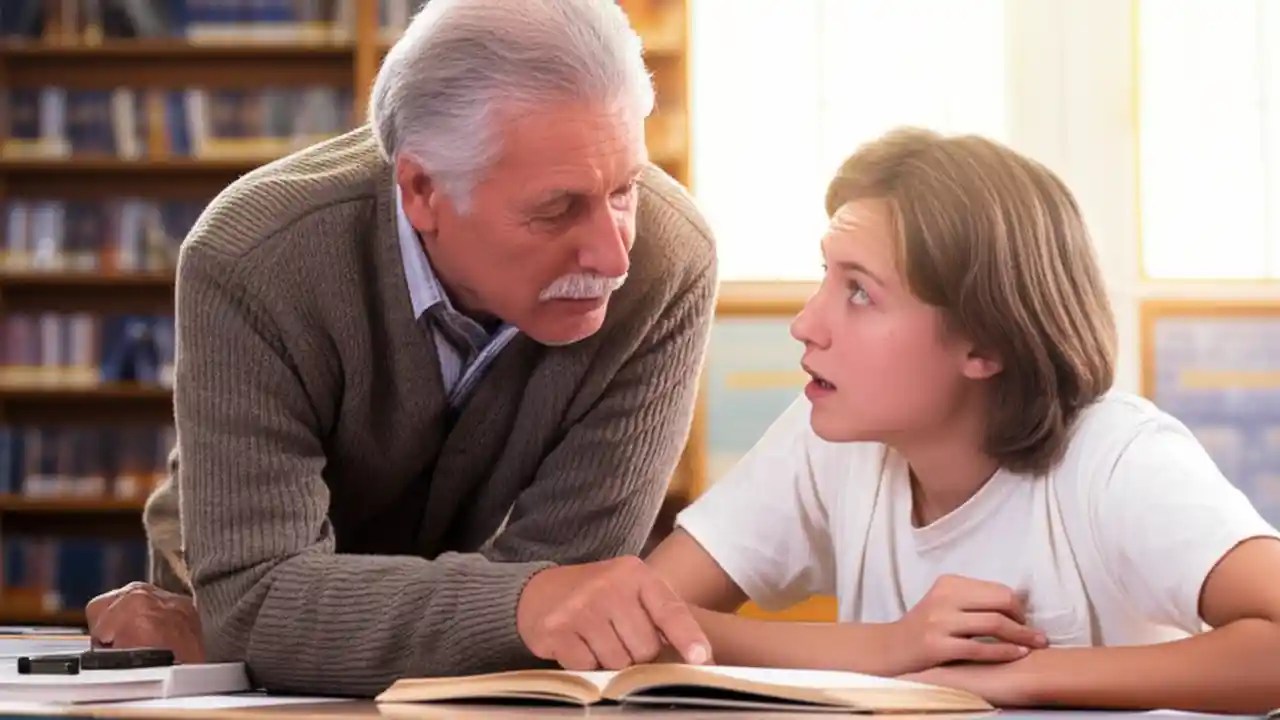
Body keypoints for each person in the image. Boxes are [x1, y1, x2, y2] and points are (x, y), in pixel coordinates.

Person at [84, 0, 718, 697]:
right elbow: (259, 599)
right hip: (231, 684)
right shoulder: (250, 259)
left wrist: (286, 629)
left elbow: (569, 611)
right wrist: (515, 606)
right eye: (556, 210)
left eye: (625, 189)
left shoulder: (670, 261)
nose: (613, 254)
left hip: (326, 662)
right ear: (421, 190)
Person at [638, 128, 1280, 714]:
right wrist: (889, 651)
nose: (806, 324)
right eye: (826, 277)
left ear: (985, 344)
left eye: (859, 291)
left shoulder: (1117, 458)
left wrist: (1020, 676)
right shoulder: (829, 439)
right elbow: (640, 619)